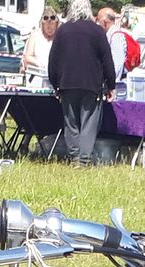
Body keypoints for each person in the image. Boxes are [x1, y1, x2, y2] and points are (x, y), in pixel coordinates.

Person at [47, 0, 115, 164]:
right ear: (88, 10)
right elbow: (107, 61)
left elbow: (53, 61)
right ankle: (84, 159)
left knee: (71, 123)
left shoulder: (62, 31)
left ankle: (75, 157)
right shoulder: (97, 31)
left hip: (66, 83)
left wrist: (55, 84)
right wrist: (110, 85)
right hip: (91, 84)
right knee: (88, 123)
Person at [21, 11, 60, 84]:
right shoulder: (35, 36)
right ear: (43, 24)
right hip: (36, 77)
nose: (50, 29)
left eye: (52, 27)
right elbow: (27, 57)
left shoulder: (59, 37)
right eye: (48, 27)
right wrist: (39, 64)